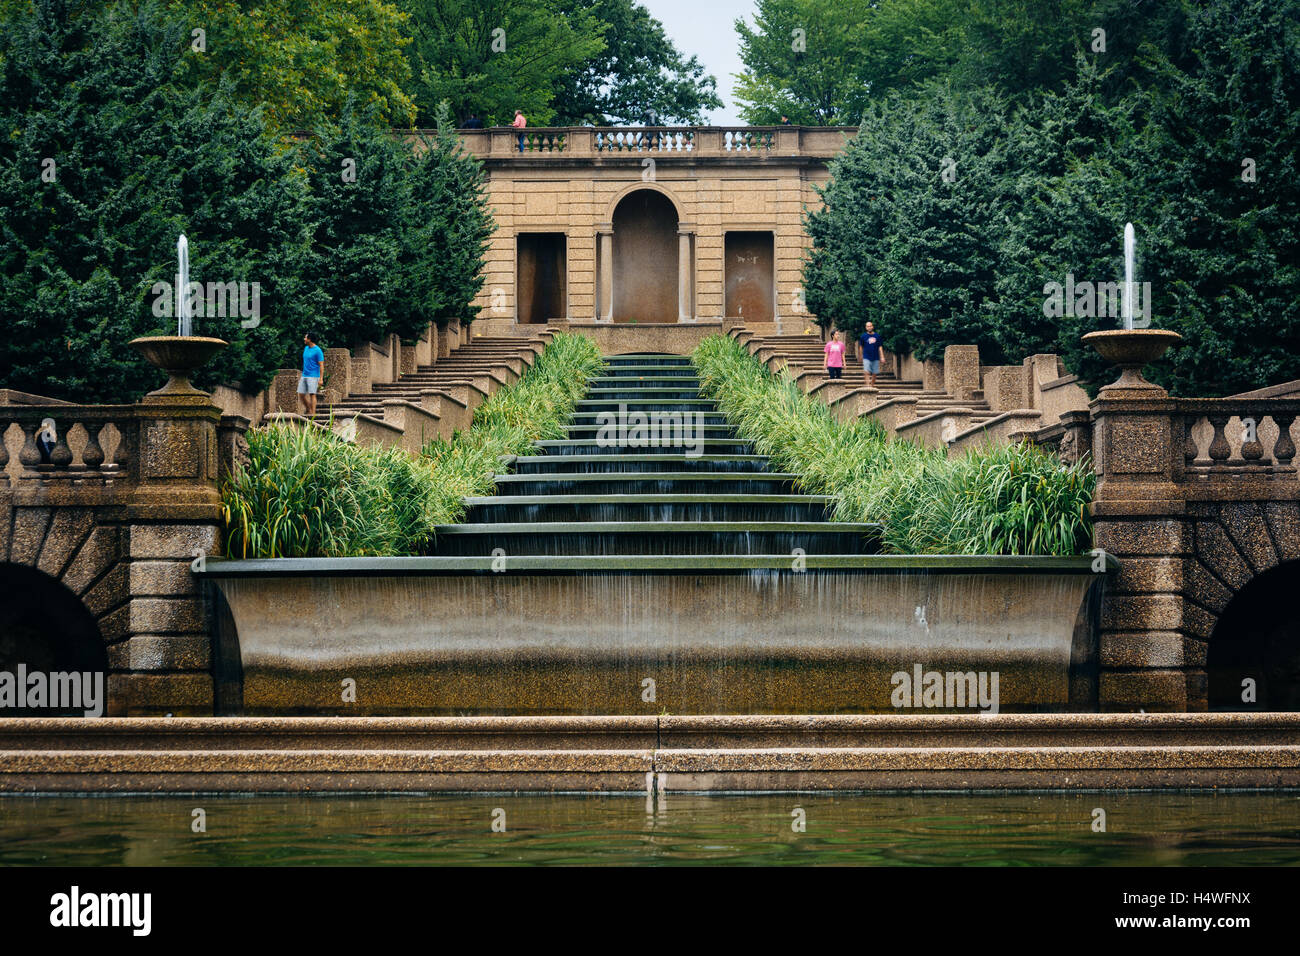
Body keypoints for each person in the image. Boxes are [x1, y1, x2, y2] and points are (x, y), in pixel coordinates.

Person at [299, 332, 324, 417]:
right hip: (304, 374)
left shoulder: (318, 350)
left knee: (312, 394)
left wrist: (321, 378)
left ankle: (313, 413)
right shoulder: (306, 348)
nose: (304, 339)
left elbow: (321, 365)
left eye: (305, 338)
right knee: (301, 394)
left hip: (313, 375)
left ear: (309, 339)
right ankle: (309, 409)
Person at [859, 321, 882, 387]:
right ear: (866, 328)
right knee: (866, 371)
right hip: (866, 356)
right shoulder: (863, 336)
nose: (869, 327)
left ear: (872, 327)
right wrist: (861, 355)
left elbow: (880, 346)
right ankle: (867, 386)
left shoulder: (877, 336)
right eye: (867, 326)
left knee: (875, 372)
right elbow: (861, 346)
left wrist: (882, 356)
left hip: (875, 356)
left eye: (870, 326)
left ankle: (872, 385)